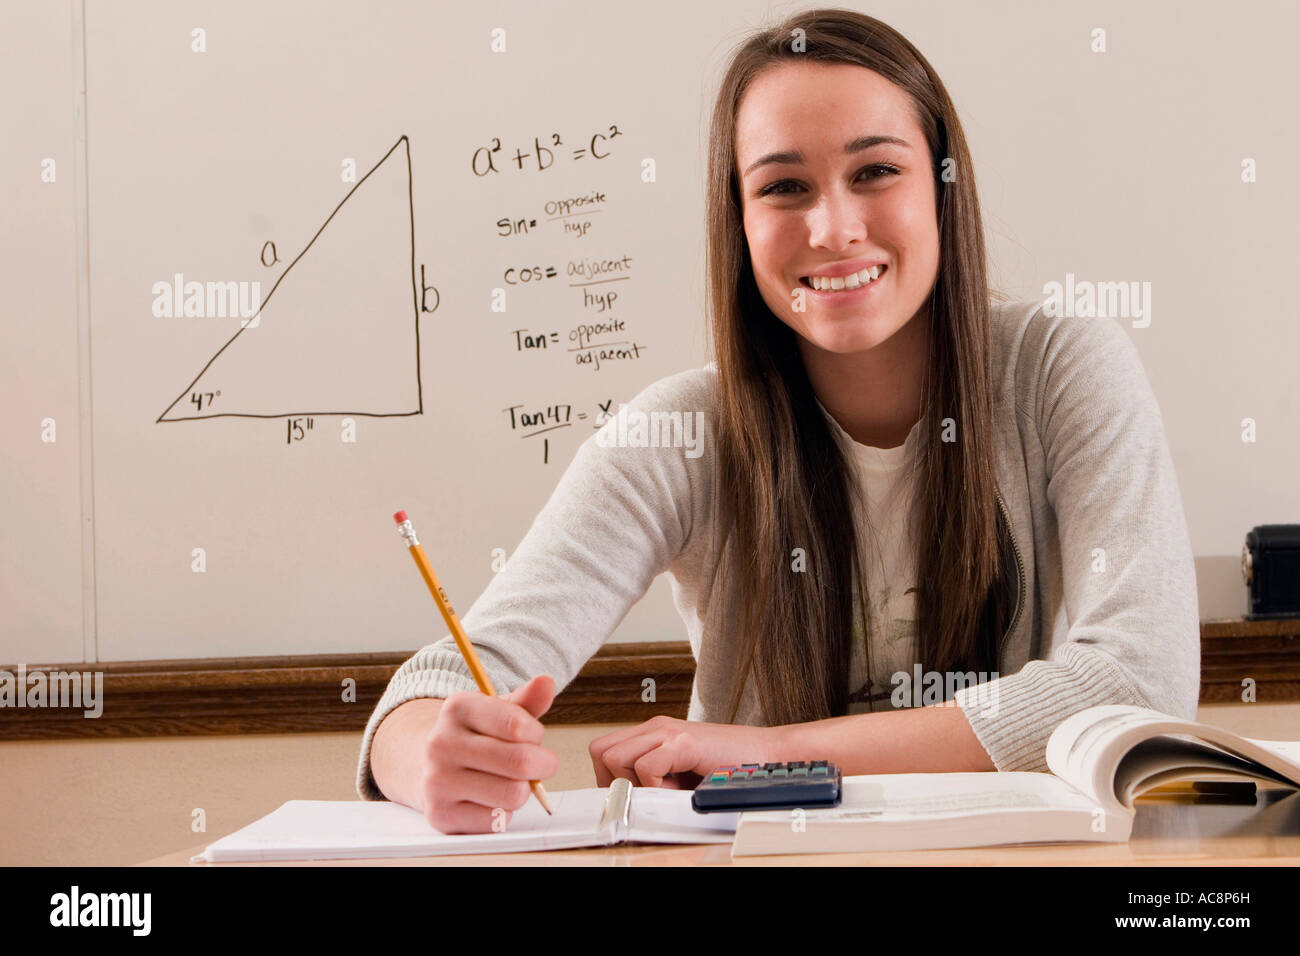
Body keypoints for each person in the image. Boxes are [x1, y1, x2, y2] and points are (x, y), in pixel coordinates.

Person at [359, 8, 1199, 835]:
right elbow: (428, 692)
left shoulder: (1061, 369)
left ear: (945, 188)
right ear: (741, 220)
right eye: (783, 187)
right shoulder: (679, 433)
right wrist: (429, 753)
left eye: (875, 172)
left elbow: (1140, 681)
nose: (833, 228)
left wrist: (773, 752)